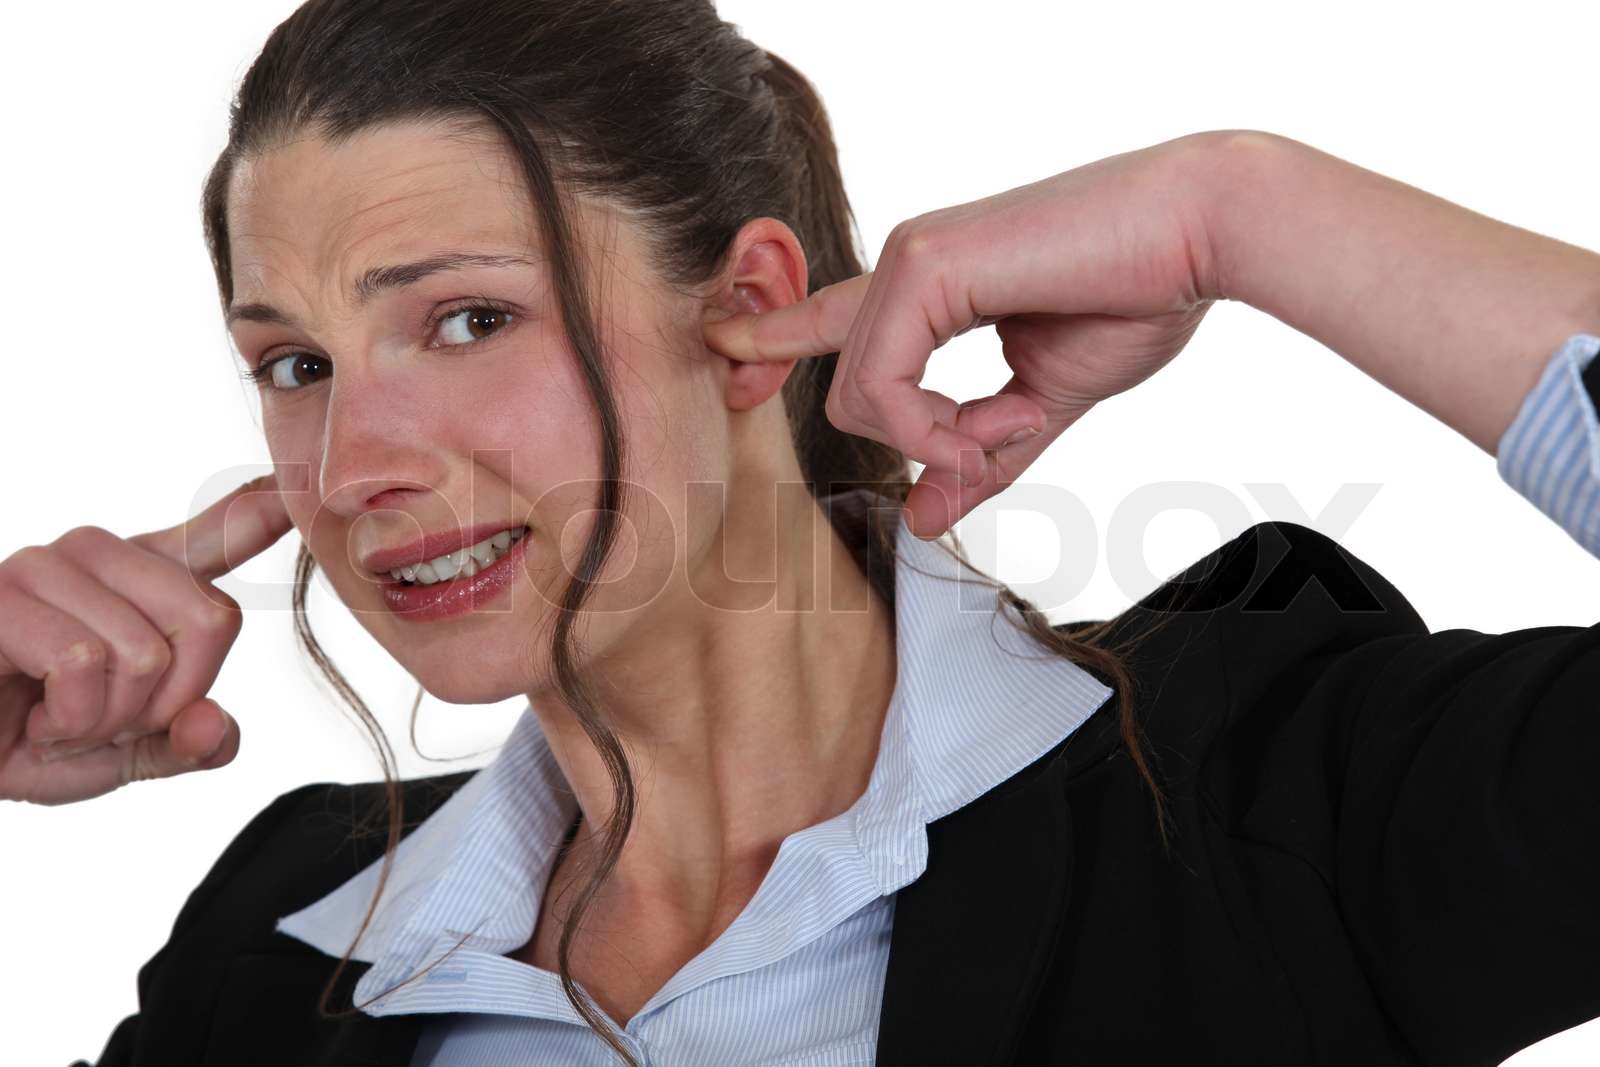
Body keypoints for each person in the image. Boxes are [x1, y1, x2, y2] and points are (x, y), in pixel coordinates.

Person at [3, 0, 1595, 1064]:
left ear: (754, 313)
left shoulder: (1288, 803)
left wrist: (1244, 210)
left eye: (470, 319)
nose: (354, 464)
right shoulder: (286, 952)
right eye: (295, 366)